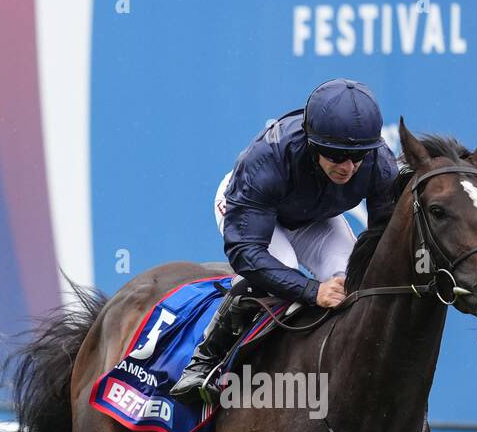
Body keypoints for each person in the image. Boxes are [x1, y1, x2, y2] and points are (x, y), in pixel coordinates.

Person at [170, 78, 399, 402]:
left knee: (353, 280)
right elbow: (246, 253)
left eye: (357, 156)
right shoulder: (268, 157)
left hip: (314, 216)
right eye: (336, 155)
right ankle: (204, 360)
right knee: (283, 272)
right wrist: (312, 291)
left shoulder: (379, 162)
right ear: (313, 144)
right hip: (253, 210)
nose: (348, 167)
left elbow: (382, 237)